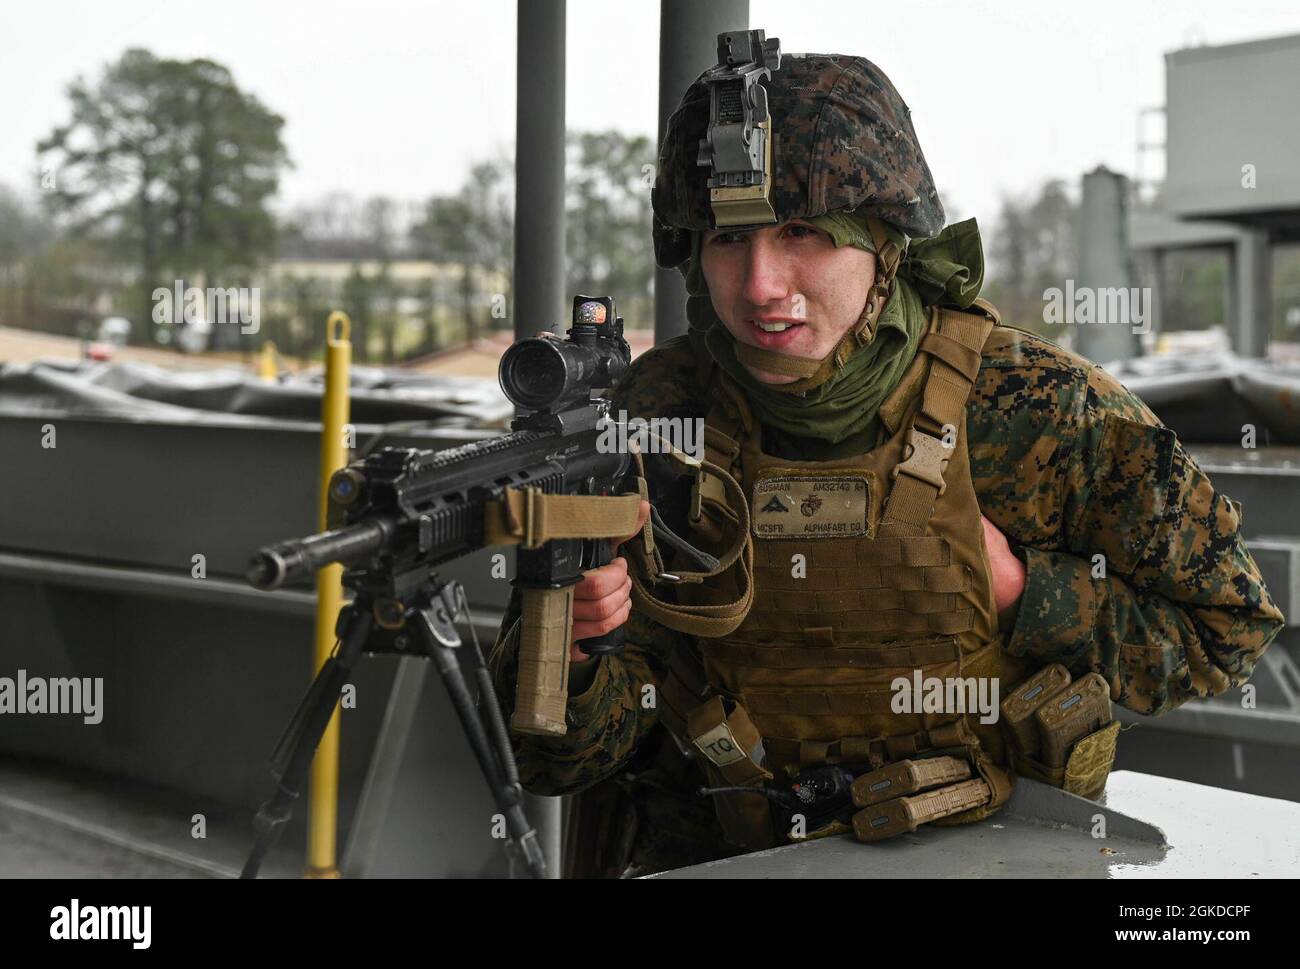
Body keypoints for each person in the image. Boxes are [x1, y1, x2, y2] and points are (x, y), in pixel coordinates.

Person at [488, 41, 1285, 877]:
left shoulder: (1040, 408)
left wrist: (1028, 594)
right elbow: (558, 761)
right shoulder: (653, 419)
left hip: (992, 860)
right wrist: (575, 654)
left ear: (884, 242)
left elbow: (1225, 627)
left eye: (803, 233)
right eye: (729, 239)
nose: (761, 285)